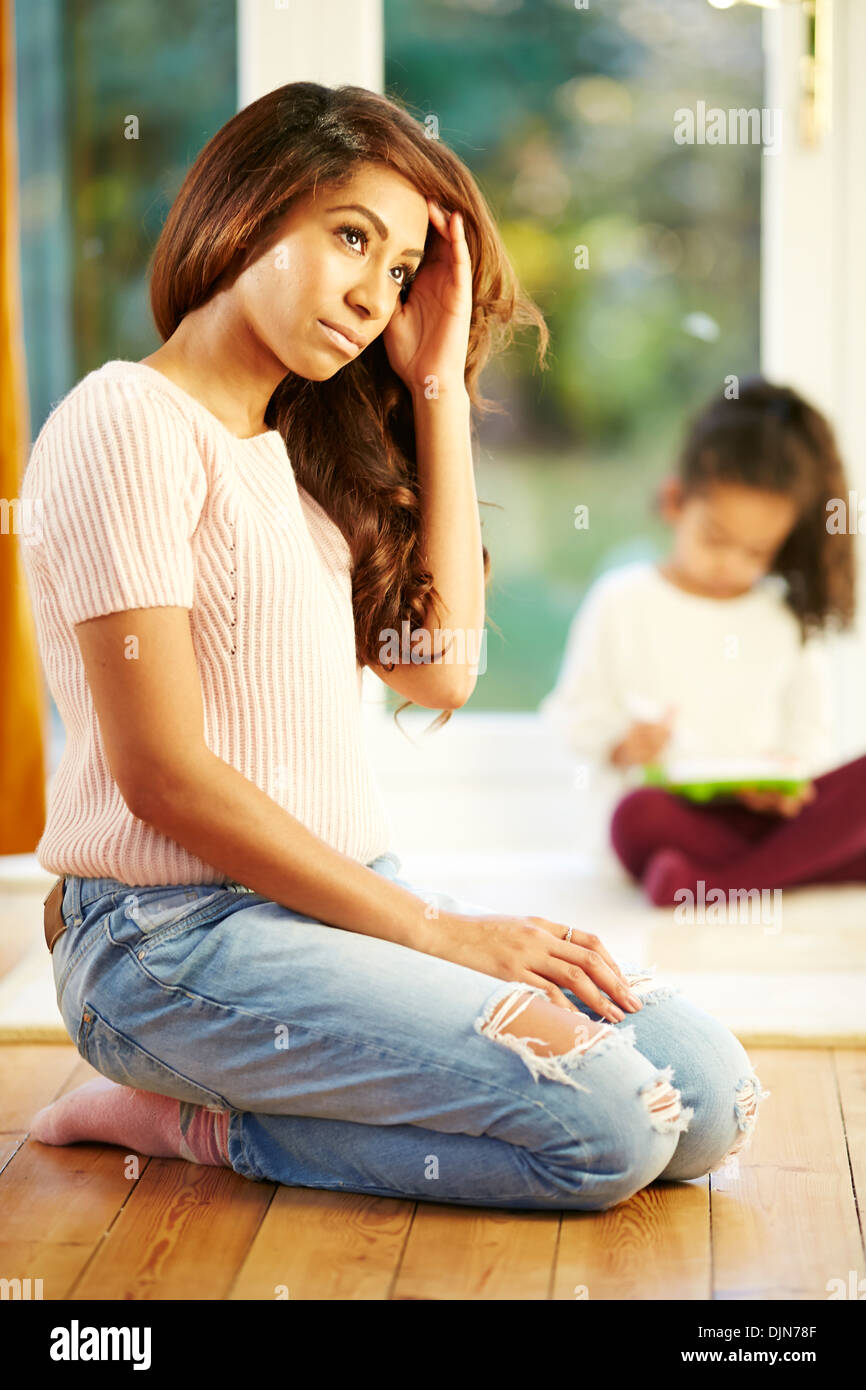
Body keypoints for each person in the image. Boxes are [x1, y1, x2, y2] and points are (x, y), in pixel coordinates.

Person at [21, 82, 764, 1211]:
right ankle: (181, 1119)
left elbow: (443, 666)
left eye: (403, 270)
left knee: (702, 1099)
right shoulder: (126, 421)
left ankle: (259, 1090)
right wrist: (441, 935)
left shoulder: (296, 456)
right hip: (167, 940)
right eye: (350, 237)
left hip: (333, 904)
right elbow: (162, 776)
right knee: (609, 1130)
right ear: (248, 206)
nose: (375, 294)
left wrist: (431, 387)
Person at [540, 376, 860, 908]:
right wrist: (623, 745)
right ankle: (762, 876)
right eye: (715, 538)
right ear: (675, 502)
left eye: (755, 552)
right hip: (669, 817)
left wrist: (783, 784)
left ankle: (708, 885)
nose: (729, 564)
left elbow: (810, 739)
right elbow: (573, 717)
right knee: (636, 816)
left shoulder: (784, 617)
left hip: (759, 821)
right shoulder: (624, 601)